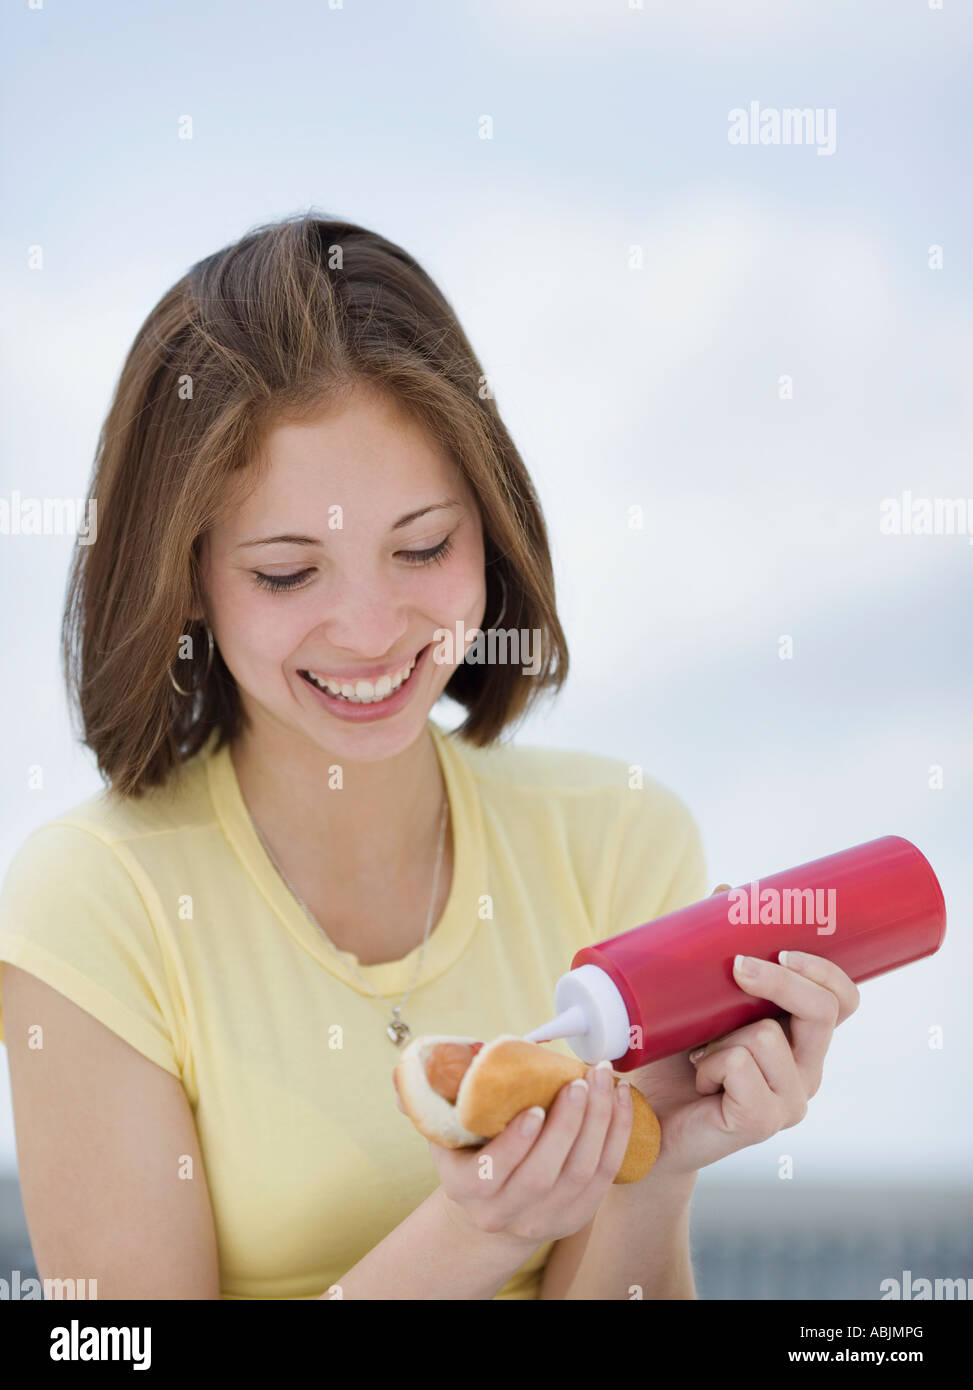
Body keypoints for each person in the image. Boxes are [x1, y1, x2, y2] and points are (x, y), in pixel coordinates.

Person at [0, 213, 859, 1300]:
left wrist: (655, 1164)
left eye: (421, 546)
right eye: (284, 572)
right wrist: (470, 1240)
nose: (370, 628)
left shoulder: (622, 842)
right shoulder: (91, 905)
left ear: (490, 530)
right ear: (186, 581)